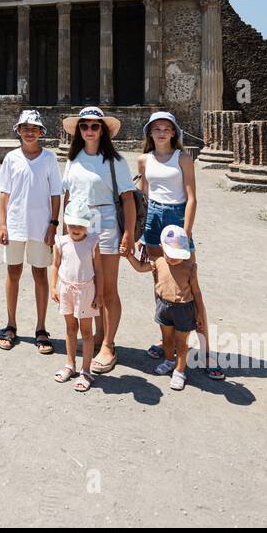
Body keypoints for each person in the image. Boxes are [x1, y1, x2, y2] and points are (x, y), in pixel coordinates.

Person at [134, 111, 223, 379]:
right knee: (160, 283)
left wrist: (185, 232)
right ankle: (168, 342)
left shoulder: (183, 158)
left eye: (166, 128)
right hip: (153, 220)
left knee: (191, 284)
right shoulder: (143, 160)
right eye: (156, 128)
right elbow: (143, 197)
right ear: (149, 132)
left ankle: (206, 352)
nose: (161, 132)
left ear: (174, 132)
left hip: (176, 216)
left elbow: (192, 197)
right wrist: (140, 231)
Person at [60, 106, 136, 374]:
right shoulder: (73, 159)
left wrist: (128, 233)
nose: (89, 130)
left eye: (95, 126)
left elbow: (127, 198)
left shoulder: (115, 161)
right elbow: (67, 197)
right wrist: (62, 232)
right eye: (84, 126)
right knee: (88, 286)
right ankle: (99, 334)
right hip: (79, 227)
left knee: (107, 289)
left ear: (103, 130)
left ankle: (109, 344)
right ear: (79, 131)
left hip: (105, 225)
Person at [0, 110, 62, 353]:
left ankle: (41, 328)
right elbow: (5, 193)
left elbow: (56, 194)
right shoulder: (11, 158)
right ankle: (11, 324)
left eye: (34, 128)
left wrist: (54, 224)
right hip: (15, 225)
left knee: (40, 275)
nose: (29, 131)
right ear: (19, 131)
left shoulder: (49, 159)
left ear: (41, 132)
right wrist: (2, 224)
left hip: (41, 226)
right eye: (25, 127)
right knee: (13, 273)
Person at [124, 224, 205, 391]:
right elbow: (140, 267)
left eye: (178, 255)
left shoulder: (189, 268)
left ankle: (180, 371)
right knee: (167, 340)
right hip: (163, 306)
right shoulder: (158, 262)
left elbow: (196, 292)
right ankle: (169, 361)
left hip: (184, 308)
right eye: (171, 255)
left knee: (181, 343)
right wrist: (128, 256)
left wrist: (199, 314)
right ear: (162, 248)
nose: (174, 259)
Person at [51, 205, 102, 392]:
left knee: (86, 331)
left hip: (86, 291)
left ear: (88, 225)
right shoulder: (61, 242)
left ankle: (86, 371)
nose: (76, 229)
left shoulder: (92, 243)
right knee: (70, 328)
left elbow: (99, 271)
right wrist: (53, 286)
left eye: (80, 225)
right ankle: (70, 364)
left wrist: (99, 294)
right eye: (72, 224)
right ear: (66, 223)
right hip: (66, 290)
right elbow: (56, 265)